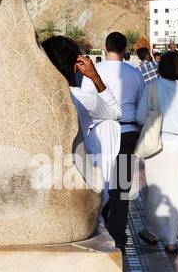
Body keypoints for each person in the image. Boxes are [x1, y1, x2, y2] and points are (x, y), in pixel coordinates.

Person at [83, 32, 148, 251]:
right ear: (125, 49)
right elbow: (141, 106)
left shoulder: (94, 71)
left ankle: (98, 230)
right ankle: (118, 236)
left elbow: (86, 103)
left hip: (101, 133)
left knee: (99, 181)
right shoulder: (135, 73)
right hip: (127, 132)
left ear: (105, 47)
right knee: (121, 188)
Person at [41, 37, 121, 201]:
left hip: (42, 168)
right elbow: (115, 112)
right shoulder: (81, 97)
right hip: (73, 172)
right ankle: (101, 195)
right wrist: (94, 77)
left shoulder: (35, 97)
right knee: (110, 124)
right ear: (76, 66)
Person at [138, 52, 178, 255]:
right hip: (176, 145)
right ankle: (171, 241)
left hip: (156, 143)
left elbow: (139, 116)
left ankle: (152, 232)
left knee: (155, 190)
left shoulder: (151, 88)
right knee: (175, 191)